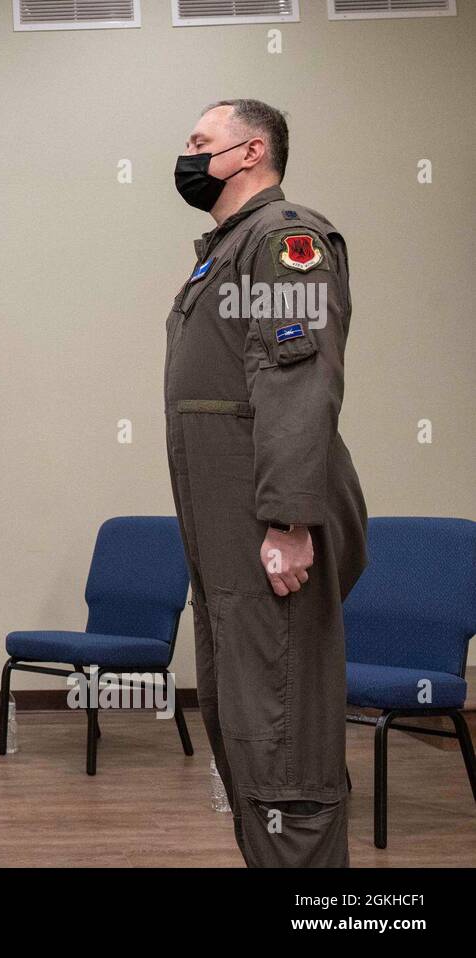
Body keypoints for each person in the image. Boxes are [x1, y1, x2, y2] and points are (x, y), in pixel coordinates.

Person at [163, 100, 367, 867]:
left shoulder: (285, 240)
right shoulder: (226, 250)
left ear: (251, 153)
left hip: (267, 540)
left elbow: (296, 379)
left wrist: (287, 521)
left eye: (199, 143)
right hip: (228, 551)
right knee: (249, 745)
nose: (185, 156)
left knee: (285, 760)